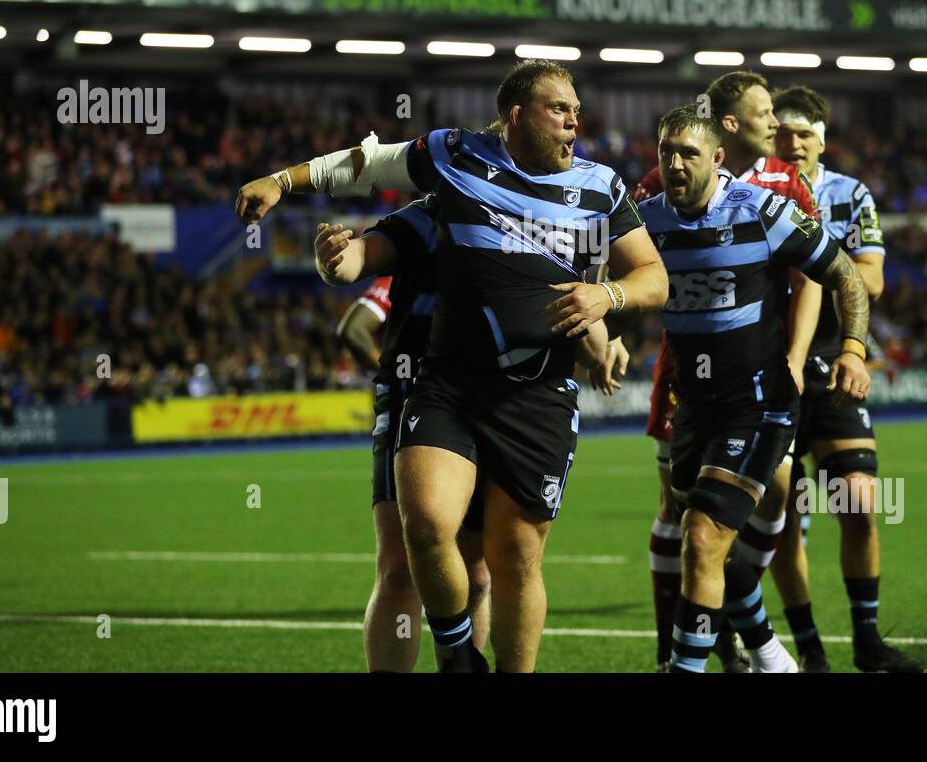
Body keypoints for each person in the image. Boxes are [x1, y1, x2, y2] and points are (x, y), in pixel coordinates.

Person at [236, 60, 668, 672]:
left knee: (512, 558)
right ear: (515, 114)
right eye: (559, 109)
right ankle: (459, 654)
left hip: (537, 395)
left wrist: (608, 298)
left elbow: (653, 277)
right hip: (446, 385)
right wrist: (283, 183)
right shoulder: (455, 161)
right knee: (424, 530)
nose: (575, 121)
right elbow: (368, 164)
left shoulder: (602, 187)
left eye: (577, 110)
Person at [637, 104, 870, 673]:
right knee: (710, 542)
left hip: (759, 403)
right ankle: (772, 656)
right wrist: (606, 336)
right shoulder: (644, 223)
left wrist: (853, 350)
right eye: (666, 152)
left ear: (717, 159)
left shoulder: (764, 210)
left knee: (701, 537)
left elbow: (844, 274)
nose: (674, 163)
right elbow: (615, 293)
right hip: (693, 407)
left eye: (687, 153)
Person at [761, 84, 924, 673]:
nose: (793, 142)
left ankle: (867, 640)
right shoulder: (752, 189)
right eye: (783, 133)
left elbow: (874, 280)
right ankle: (808, 649)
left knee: (857, 501)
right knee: (780, 518)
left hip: (830, 361)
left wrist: (808, 258)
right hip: (765, 363)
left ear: (823, 141)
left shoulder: (850, 194)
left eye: (805, 134)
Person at [327, 200, 491, 672]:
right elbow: (353, 328)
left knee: (475, 575)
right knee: (400, 568)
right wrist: (389, 379)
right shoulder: (418, 239)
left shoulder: (511, 233)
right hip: (410, 402)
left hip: (489, 403)